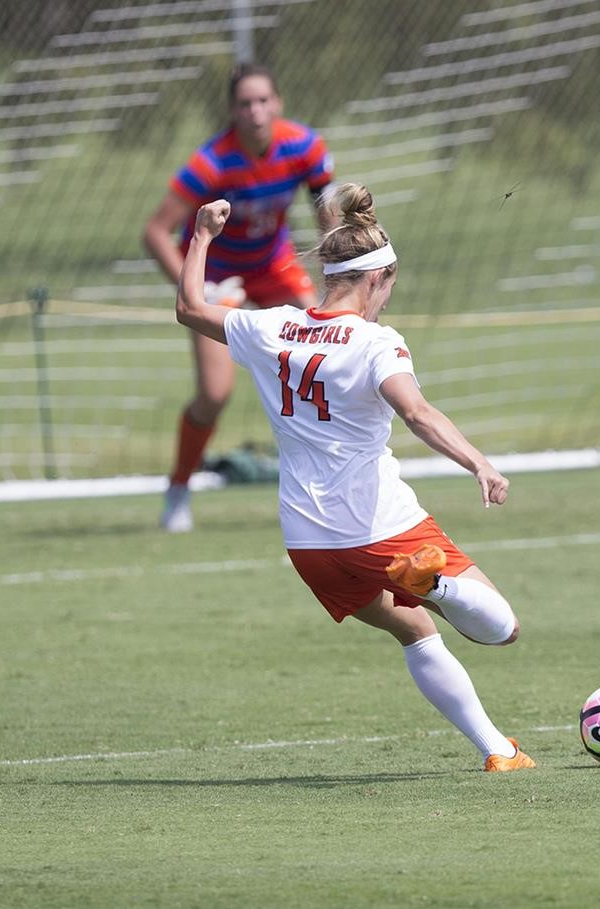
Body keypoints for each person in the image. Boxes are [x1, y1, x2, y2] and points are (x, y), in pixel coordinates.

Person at [175, 183, 536, 772]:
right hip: (378, 525)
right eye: (389, 287)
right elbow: (416, 412)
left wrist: (202, 237)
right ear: (376, 278)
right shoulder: (376, 343)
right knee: (501, 628)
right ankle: (433, 583)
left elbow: (189, 308)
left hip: (308, 541)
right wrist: (479, 462)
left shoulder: (273, 328)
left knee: (415, 632)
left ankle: (499, 751)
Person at [142, 63, 337, 533]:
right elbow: (155, 232)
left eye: (263, 101)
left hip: (274, 267)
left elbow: (324, 211)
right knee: (215, 393)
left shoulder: (304, 146)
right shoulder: (211, 163)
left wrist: (337, 268)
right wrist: (197, 287)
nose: (255, 111)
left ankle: (330, 485)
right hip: (219, 277)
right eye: (245, 103)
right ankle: (179, 488)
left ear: (278, 104)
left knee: (329, 351)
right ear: (232, 110)